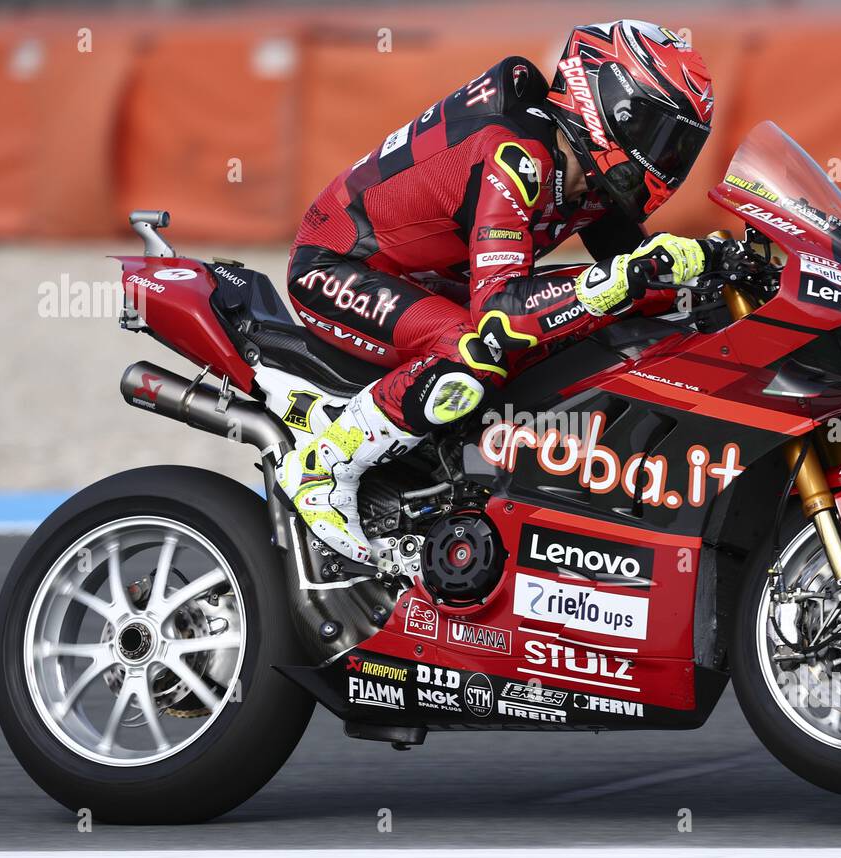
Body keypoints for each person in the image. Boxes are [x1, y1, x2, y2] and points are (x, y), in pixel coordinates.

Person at [278, 19, 715, 564]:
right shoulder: (516, 155)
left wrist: (712, 272)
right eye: (659, 137)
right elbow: (501, 311)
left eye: (680, 148)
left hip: (427, 278)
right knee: (475, 350)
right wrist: (621, 280)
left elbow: (638, 277)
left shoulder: (591, 178)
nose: (667, 160)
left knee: (587, 322)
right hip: (336, 264)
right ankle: (324, 463)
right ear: (606, 105)